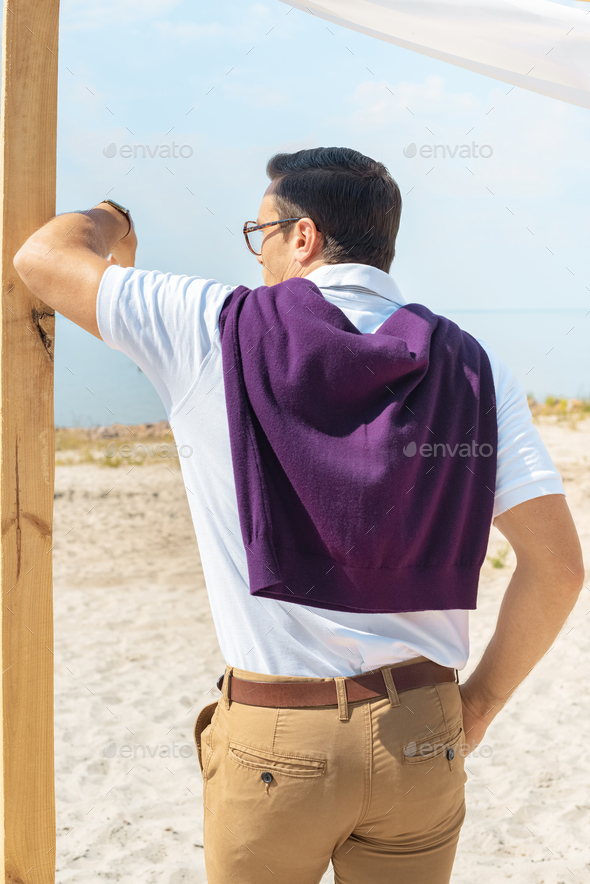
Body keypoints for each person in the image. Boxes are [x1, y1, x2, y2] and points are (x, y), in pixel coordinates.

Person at [15, 147, 584, 884]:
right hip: (420, 729)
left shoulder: (214, 326)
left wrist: (117, 220)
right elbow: (560, 567)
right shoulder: (473, 365)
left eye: (261, 236)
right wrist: (476, 708)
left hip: (275, 743)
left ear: (304, 237)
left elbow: (44, 256)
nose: (257, 261)